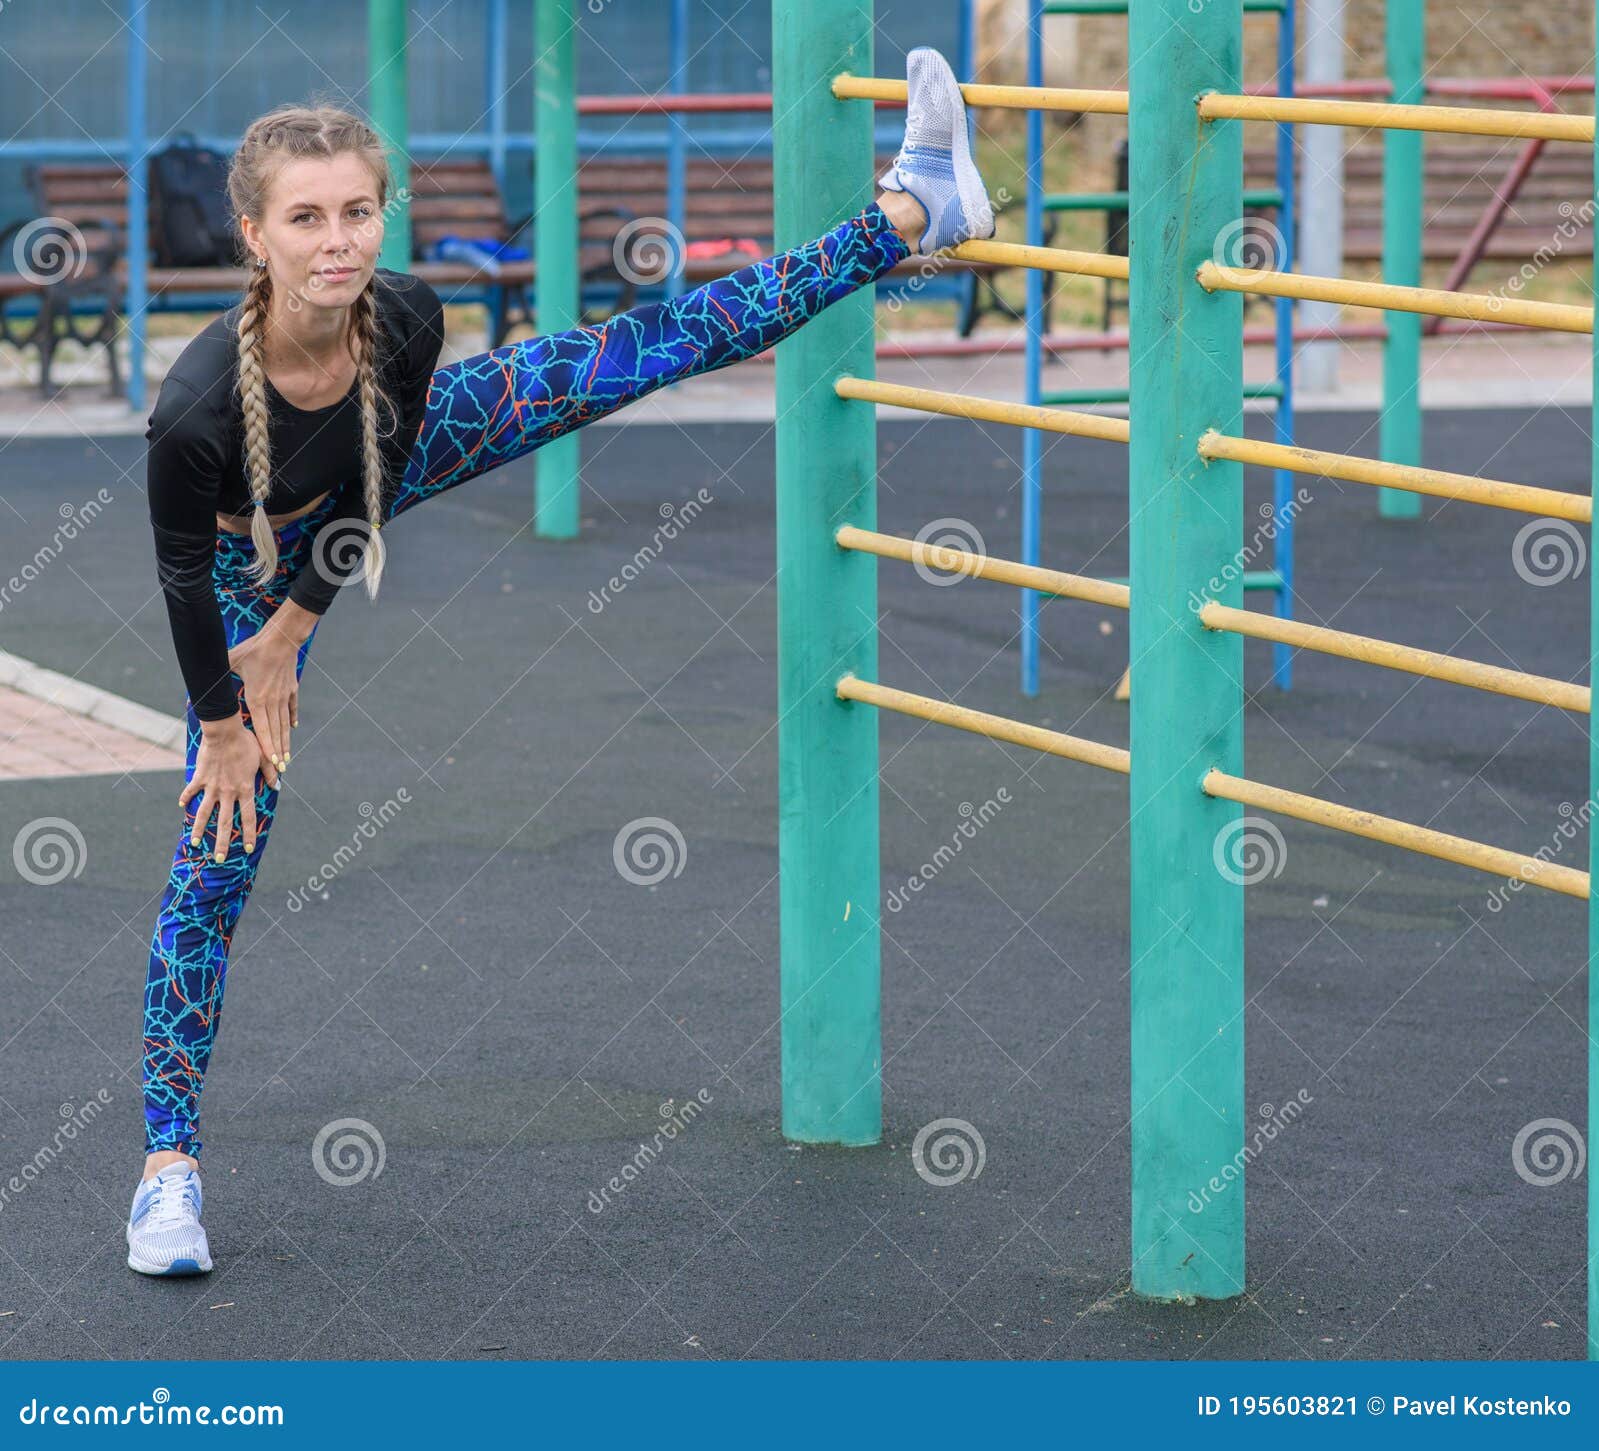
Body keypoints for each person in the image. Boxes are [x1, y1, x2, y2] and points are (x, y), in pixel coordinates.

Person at [130, 48, 994, 1276]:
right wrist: (230, 706)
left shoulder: (410, 316)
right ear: (255, 237)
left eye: (358, 211)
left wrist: (298, 630)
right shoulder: (198, 404)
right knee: (213, 861)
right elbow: (177, 578)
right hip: (230, 577)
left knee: (656, 342)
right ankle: (167, 1171)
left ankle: (910, 209)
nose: (339, 241)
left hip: (357, 499)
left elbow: (373, 480)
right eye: (307, 218)